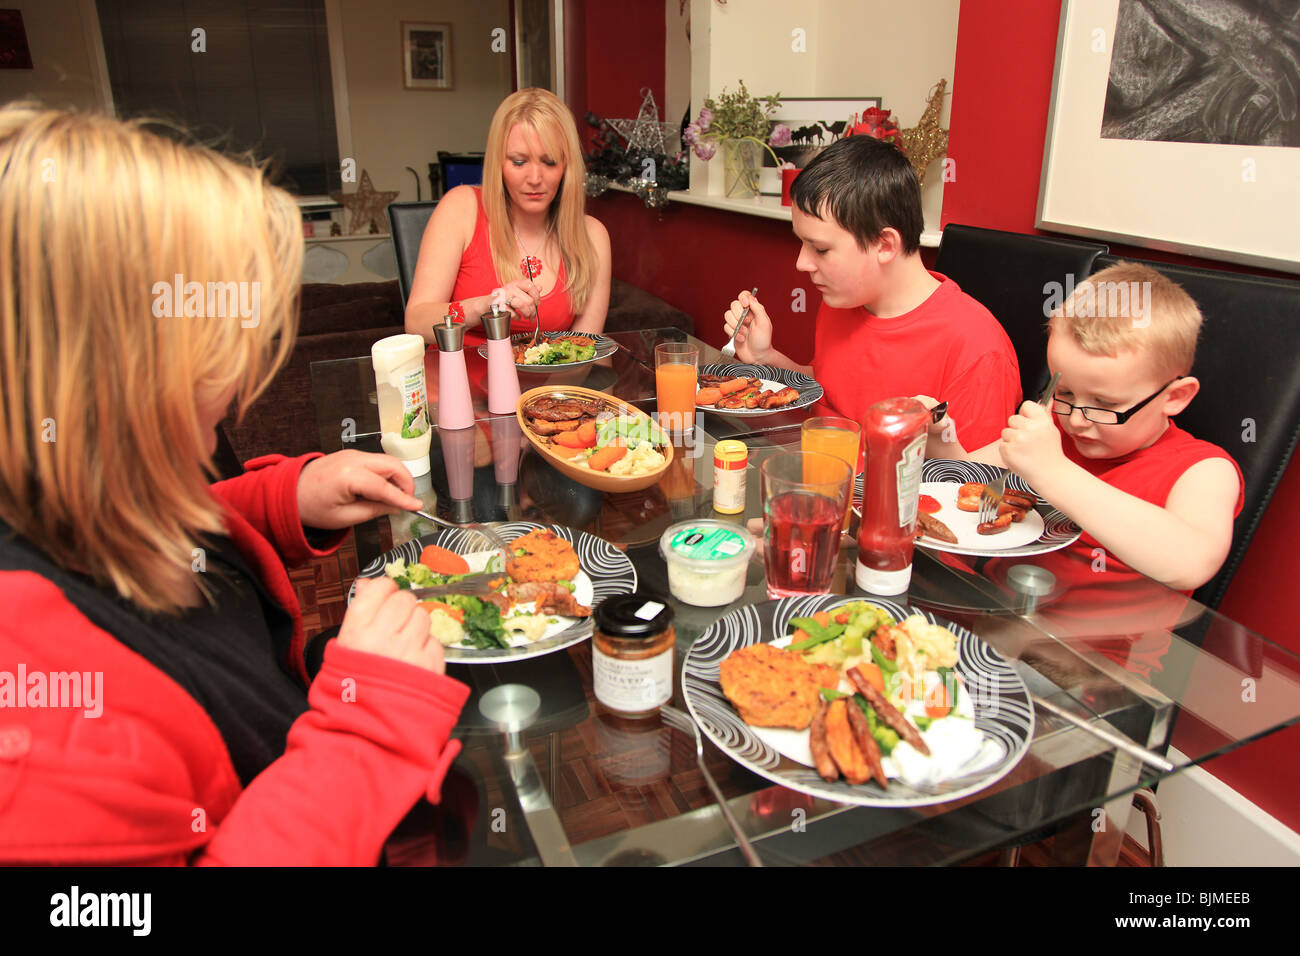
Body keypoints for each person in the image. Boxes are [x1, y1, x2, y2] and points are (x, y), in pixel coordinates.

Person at [0, 106, 469, 865]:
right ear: (113, 370)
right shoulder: (36, 724)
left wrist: (288, 495)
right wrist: (365, 726)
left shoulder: (57, 483)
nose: (244, 384)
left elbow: (130, 519)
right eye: (217, 346)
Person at [921, 262, 1244, 677]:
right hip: (993, 620)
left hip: (1096, 671)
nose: (1076, 420)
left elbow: (1190, 561)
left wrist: (1054, 472)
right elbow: (966, 487)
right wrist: (940, 439)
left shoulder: (1204, 470)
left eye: (1105, 405)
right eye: (1066, 393)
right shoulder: (1056, 428)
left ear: (1175, 397)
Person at [722, 134, 1021, 452]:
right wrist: (764, 358)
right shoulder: (844, 299)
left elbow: (972, 490)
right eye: (803, 243)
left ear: (884, 245)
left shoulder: (978, 352)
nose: (802, 262)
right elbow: (830, 393)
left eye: (821, 249)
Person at [405, 87, 611, 347]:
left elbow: (584, 350)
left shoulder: (593, 236)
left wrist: (541, 389)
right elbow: (416, 321)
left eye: (549, 162)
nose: (535, 179)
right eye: (518, 162)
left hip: (543, 387)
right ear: (498, 164)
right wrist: (482, 307)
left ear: (567, 166)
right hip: (456, 383)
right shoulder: (460, 208)